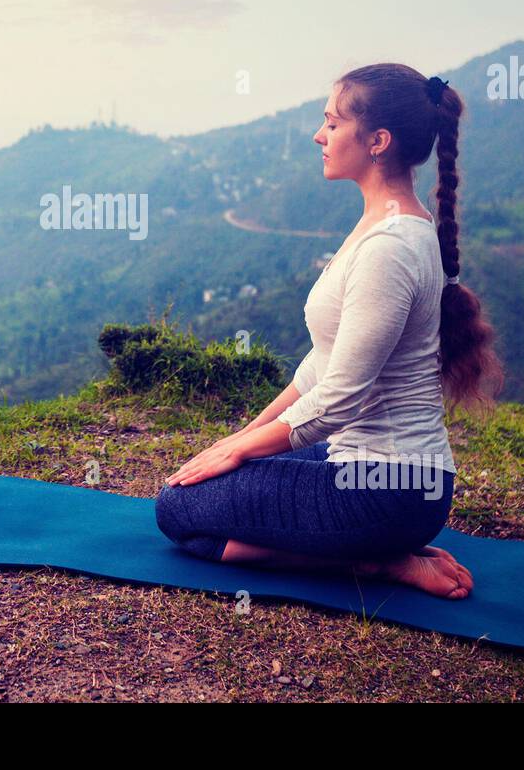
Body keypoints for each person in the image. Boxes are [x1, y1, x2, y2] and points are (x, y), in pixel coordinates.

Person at [155, 64, 504, 599]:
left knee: (178, 510)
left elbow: (338, 399)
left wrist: (241, 451)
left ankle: (378, 563)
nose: (320, 136)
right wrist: (241, 439)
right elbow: (322, 366)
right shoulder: (380, 226)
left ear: (378, 141)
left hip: (391, 492)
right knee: (204, 476)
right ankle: (378, 551)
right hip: (369, 468)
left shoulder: (389, 249)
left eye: (333, 124)